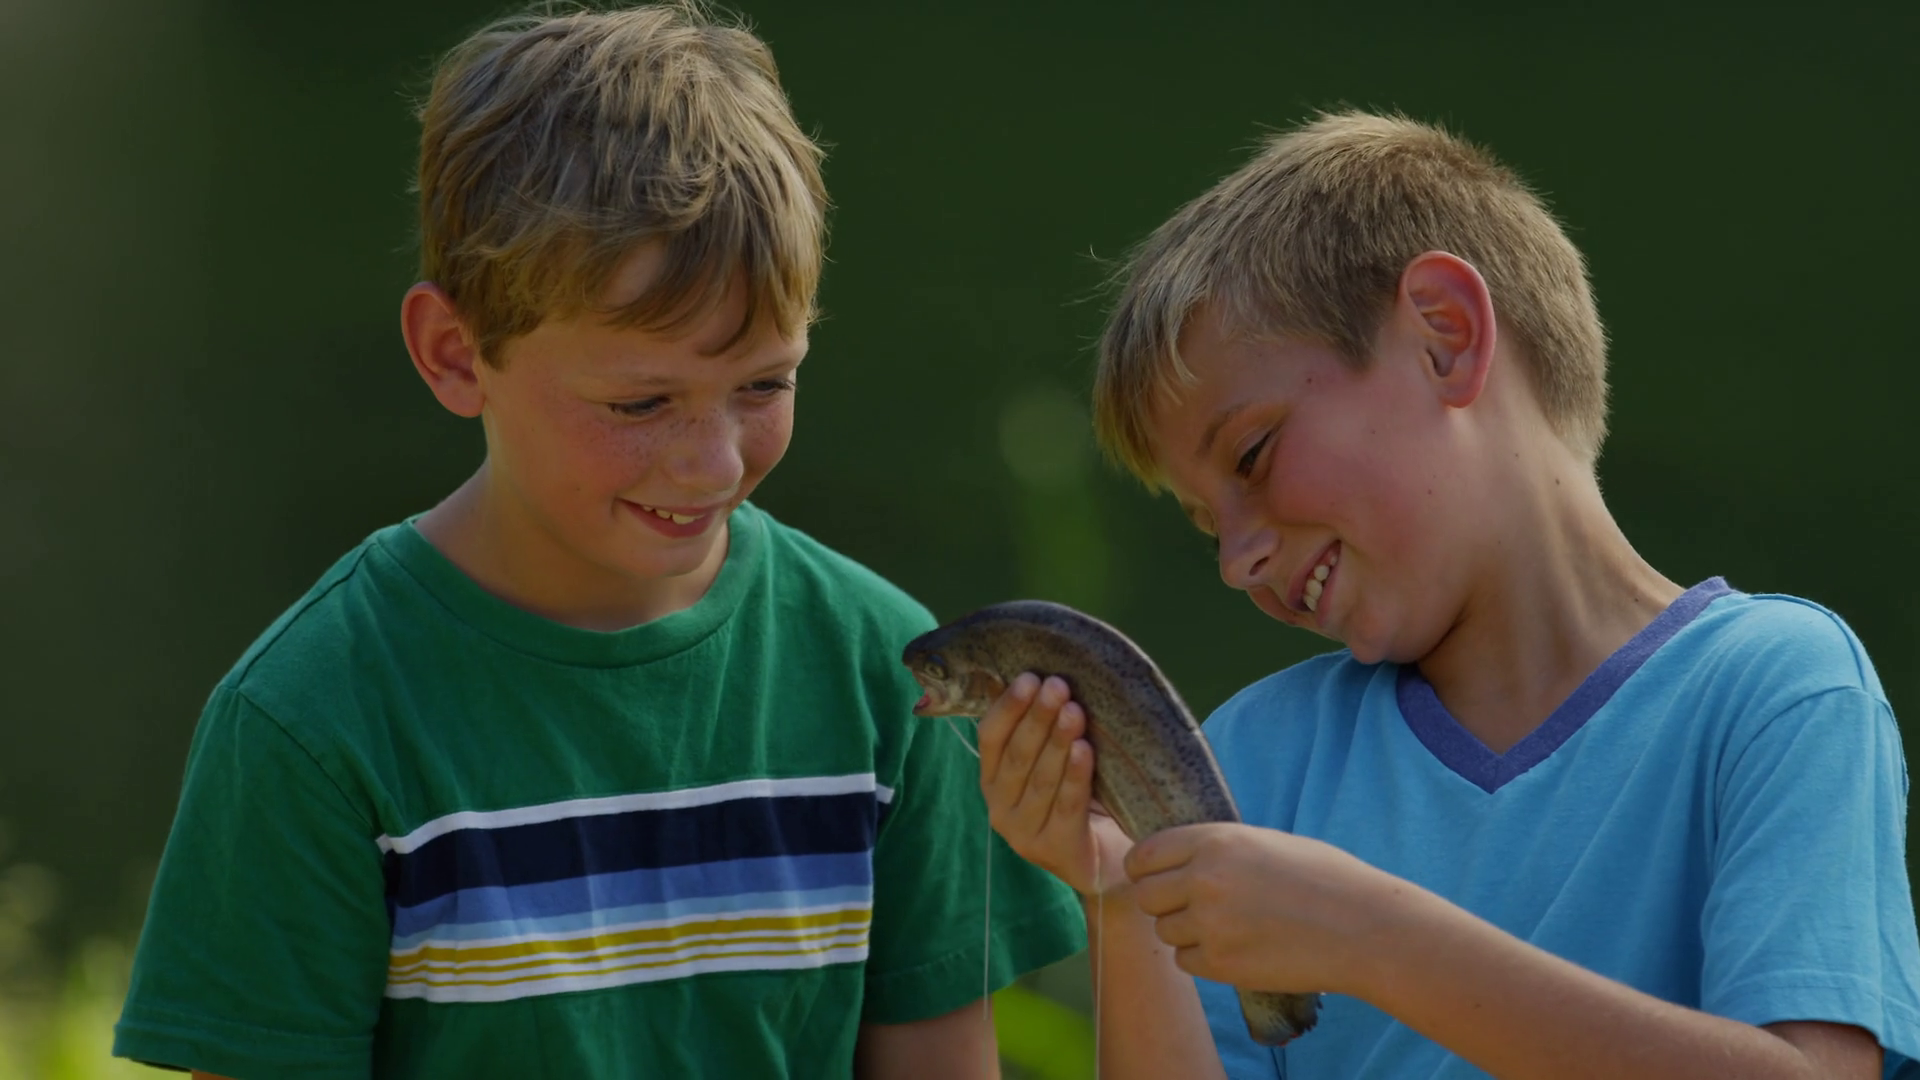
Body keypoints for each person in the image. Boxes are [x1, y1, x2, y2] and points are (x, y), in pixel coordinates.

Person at [111, 6, 1082, 1077]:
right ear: (455, 353)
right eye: (640, 403)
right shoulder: (309, 723)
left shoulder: (885, 671)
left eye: (764, 384)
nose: (713, 463)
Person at [978, 111, 1920, 1079]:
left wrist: (1372, 936)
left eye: (1253, 457)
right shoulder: (1250, 762)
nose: (1238, 560)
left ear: (1446, 336)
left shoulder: (1778, 693)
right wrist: (1125, 898)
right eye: (1207, 523)